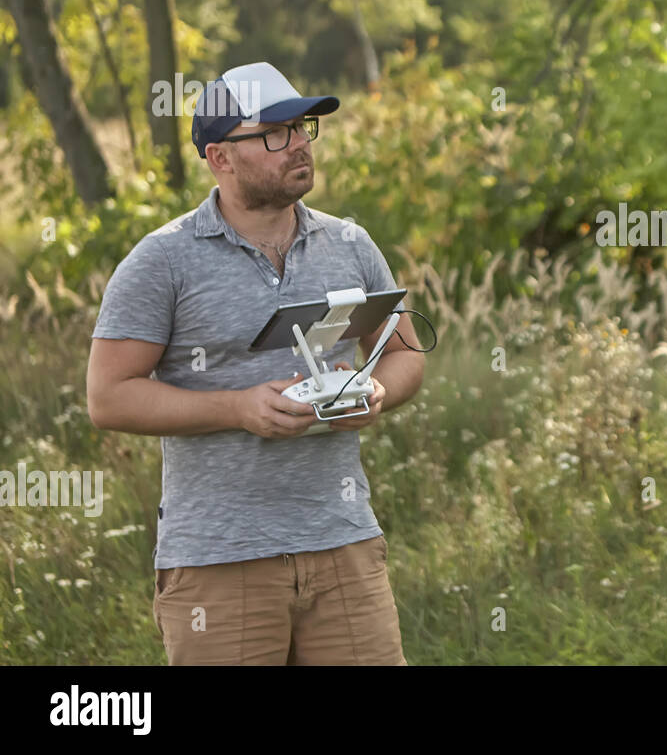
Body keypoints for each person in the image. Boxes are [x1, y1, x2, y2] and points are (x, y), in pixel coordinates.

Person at [86, 61, 425, 665]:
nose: (298, 143)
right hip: (219, 562)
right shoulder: (162, 261)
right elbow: (108, 397)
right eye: (274, 133)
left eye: (301, 128)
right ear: (220, 157)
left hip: (343, 544)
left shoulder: (350, 244)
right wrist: (237, 409)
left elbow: (404, 356)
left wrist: (374, 390)